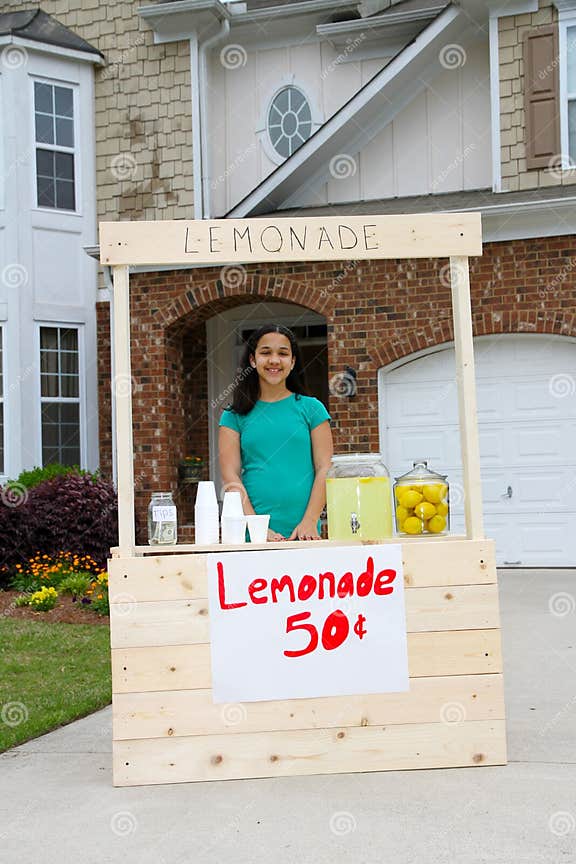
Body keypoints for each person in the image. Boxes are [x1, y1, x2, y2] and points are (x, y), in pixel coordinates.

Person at [218, 324, 333, 541]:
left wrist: (310, 520)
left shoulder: (312, 409)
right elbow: (230, 477)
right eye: (265, 352)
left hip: (305, 533)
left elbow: (325, 467)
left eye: (282, 353)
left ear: (292, 362)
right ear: (253, 361)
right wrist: (255, 528)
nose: (274, 360)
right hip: (252, 535)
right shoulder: (233, 416)